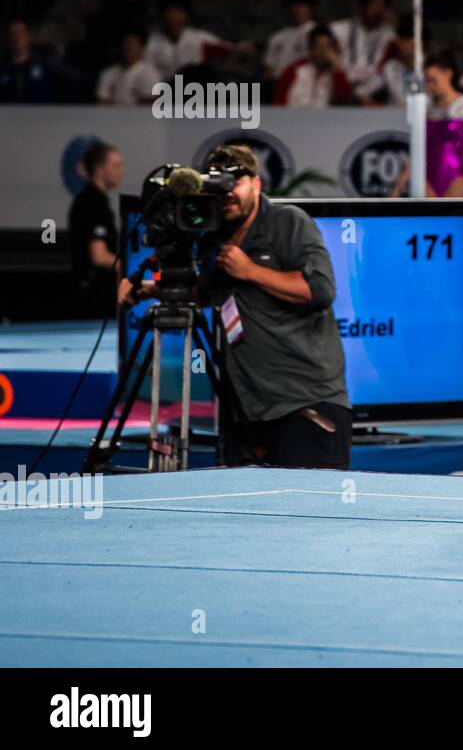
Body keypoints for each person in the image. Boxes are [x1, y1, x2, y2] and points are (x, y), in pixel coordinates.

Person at [119, 145, 352, 469]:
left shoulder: (288, 222)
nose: (227, 193)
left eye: (235, 183)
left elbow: (320, 291)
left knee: (311, 514)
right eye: (218, 187)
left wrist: (250, 270)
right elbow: (204, 293)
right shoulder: (214, 235)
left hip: (305, 404)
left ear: (256, 184)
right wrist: (145, 289)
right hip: (244, 410)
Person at [394, 49, 463, 197]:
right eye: (427, 81)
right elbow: (417, 151)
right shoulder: (425, 111)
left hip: (457, 182)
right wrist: (398, 187)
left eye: (433, 80)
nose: (430, 86)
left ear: (448, 73)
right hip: (427, 184)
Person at [68, 141, 124, 318]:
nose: (121, 171)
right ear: (99, 169)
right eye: (115, 165)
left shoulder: (94, 200)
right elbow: (99, 256)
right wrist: (129, 268)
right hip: (95, 295)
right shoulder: (93, 203)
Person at [330, 0, 396, 105]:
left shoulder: (390, 36)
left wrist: (394, 25)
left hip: (375, 93)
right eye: (373, 5)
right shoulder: (338, 29)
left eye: (381, 7)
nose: (377, 11)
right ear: (361, 7)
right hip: (343, 90)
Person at [143, 0, 231, 78]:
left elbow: (229, 47)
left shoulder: (197, 37)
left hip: (194, 87)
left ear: (186, 15)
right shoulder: (151, 41)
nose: (174, 16)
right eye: (170, 11)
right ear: (162, 14)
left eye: (179, 12)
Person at [272, 26, 353, 106]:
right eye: (320, 46)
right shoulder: (293, 70)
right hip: (291, 117)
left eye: (327, 46)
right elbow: (278, 102)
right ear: (311, 48)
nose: (323, 52)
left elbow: (344, 97)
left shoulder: (334, 75)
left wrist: (337, 68)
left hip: (321, 119)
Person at [263, 0, 318, 81]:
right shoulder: (277, 37)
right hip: (278, 87)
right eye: (291, 5)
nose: (295, 9)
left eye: (300, 5)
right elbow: (269, 71)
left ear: (310, 7)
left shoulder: (318, 35)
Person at [96, 29, 160, 105]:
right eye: (126, 44)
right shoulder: (108, 73)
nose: (129, 48)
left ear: (142, 47)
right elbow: (101, 101)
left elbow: (148, 103)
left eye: (133, 44)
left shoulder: (151, 73)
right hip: (112, 115)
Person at [0, 19, 56, 103]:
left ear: (28, 36)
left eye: (20, 33)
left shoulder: (45, 66)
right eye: (13, 34)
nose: (17, 38)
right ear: (7, 39)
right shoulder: (3, 68)